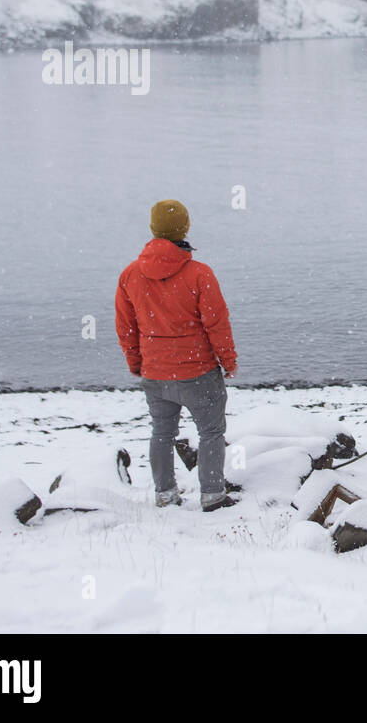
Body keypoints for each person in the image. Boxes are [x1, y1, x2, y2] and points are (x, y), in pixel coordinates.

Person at [115, 200, 238, 511]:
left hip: (155, 373)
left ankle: (165, 494)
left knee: (162, 432)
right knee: (211, 432)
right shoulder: (199, 274)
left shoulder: (130, 275)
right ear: (185, 228)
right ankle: (212, 494)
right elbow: (216, 323)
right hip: (197, 371)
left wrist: (136, 364)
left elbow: (125, 328)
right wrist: (228, 361)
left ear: (154, 229)